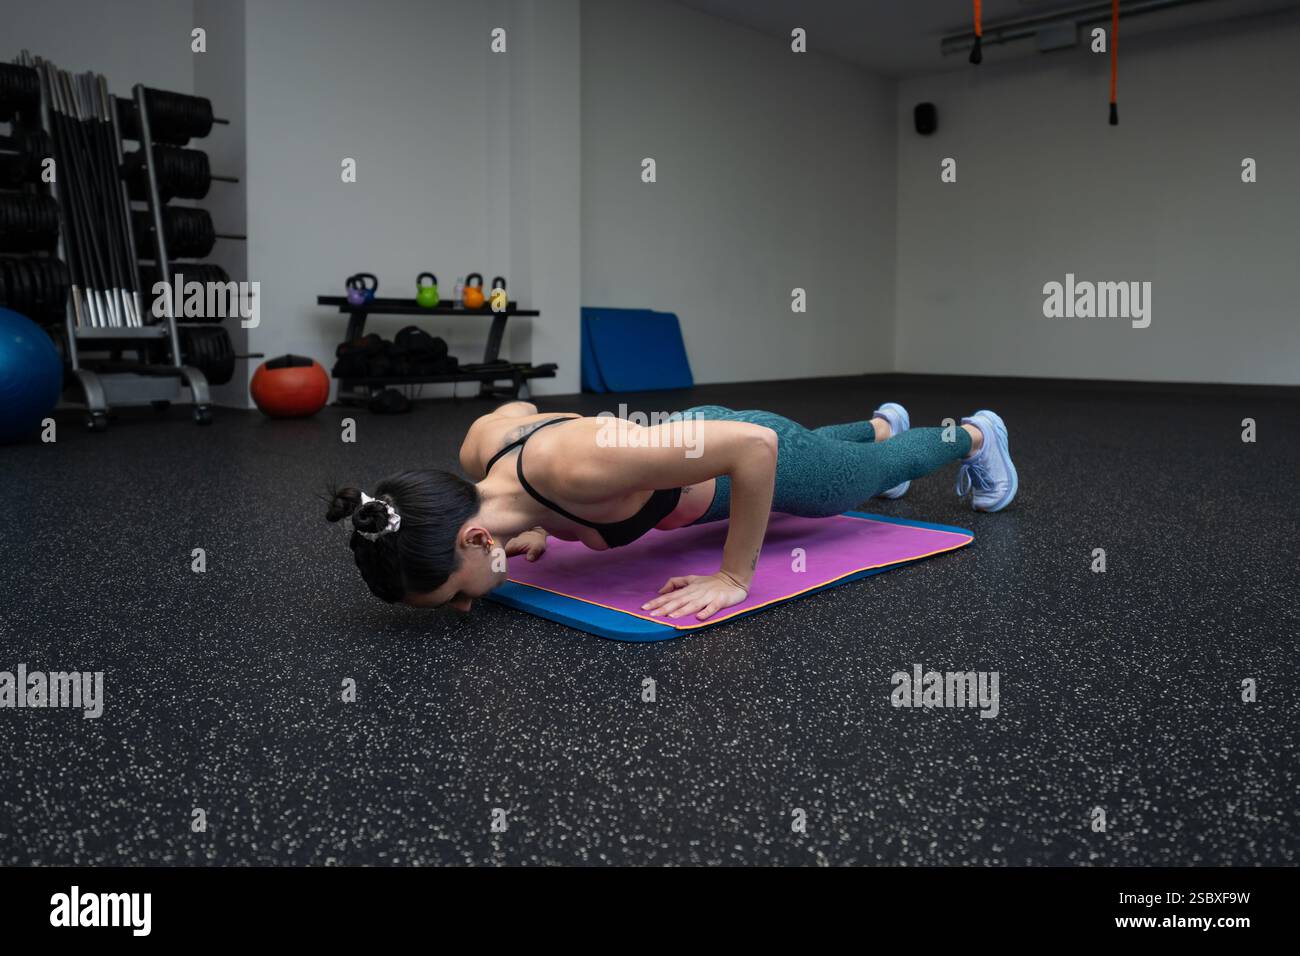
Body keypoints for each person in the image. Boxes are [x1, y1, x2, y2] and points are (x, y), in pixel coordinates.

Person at [326, 400, 1017, 621]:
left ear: (471, 538)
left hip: (737, 452)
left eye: (451, 595)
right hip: (686, 448)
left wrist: (734, 577)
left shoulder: (577, 467)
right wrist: (532, 531)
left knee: (839, 489)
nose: (465, 608)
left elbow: (750, 449)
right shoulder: (482, 449)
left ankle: (977, 434)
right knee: (837, 460)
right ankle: (876, 427)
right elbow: (525, 412)